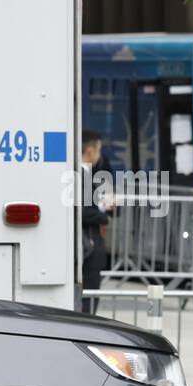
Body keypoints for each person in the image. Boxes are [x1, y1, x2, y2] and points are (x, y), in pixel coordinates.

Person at [80, 129, 114, 314]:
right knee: (89, 301)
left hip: (89, 246)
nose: (100, 155)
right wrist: (103, 213)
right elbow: (84, 211)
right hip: (90, 247)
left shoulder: (86, 173)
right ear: (91, 150)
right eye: (99, 150)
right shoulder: (82, 174)